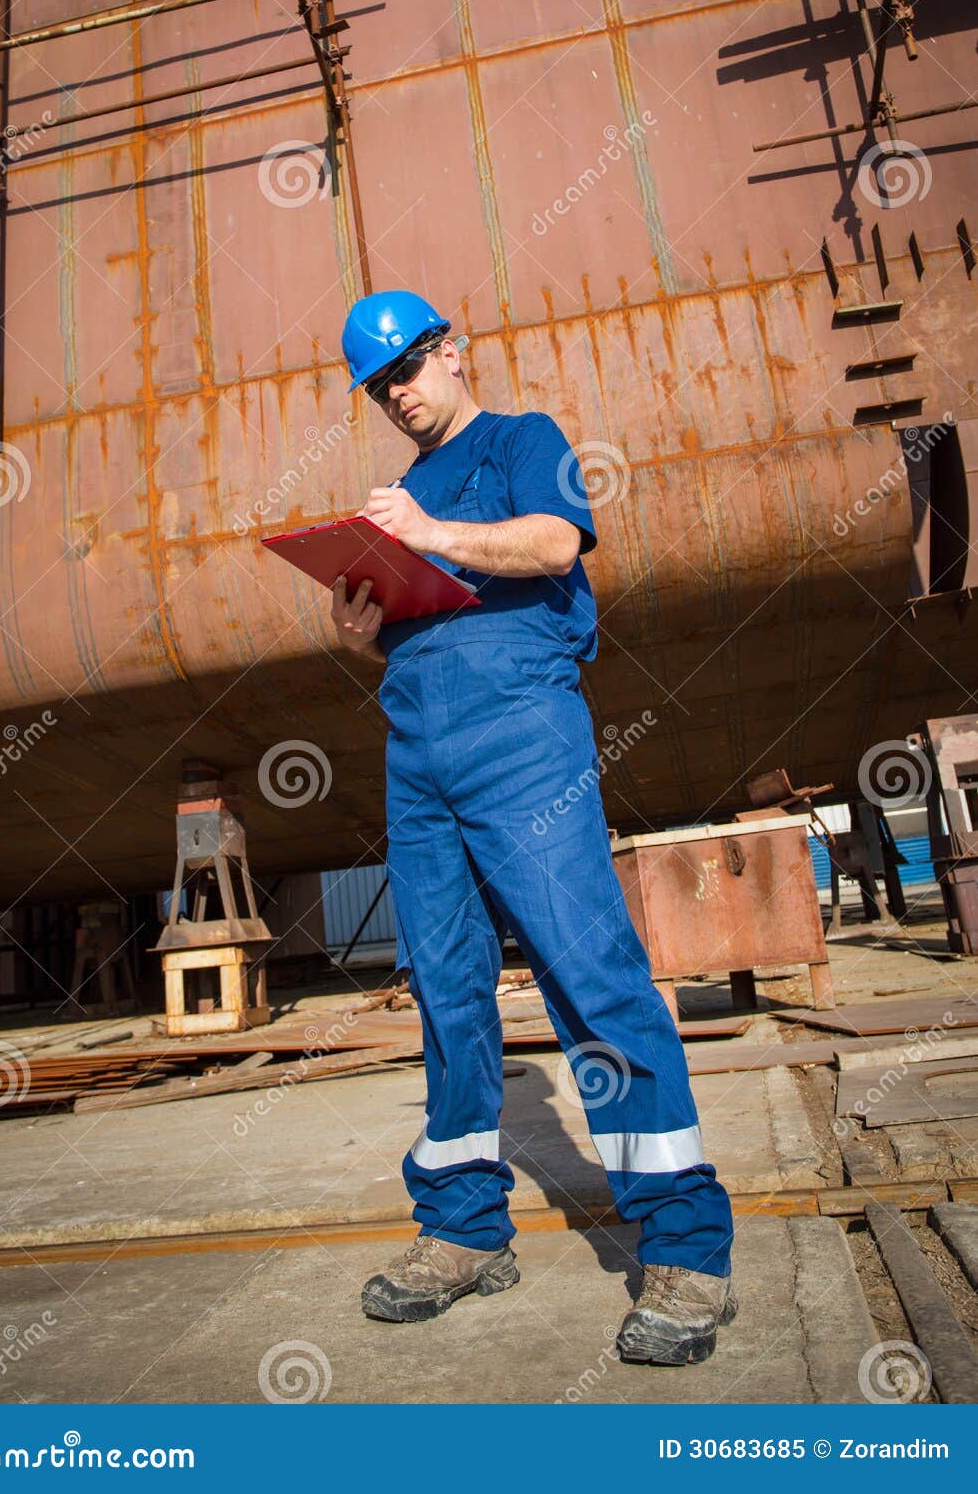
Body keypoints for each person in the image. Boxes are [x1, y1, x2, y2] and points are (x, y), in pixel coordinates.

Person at [331, 289, 736, 1365]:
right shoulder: (401, 494)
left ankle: (685, 1244)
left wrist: (427, 533)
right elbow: (411, 619)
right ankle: (463, 1227)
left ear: (452, 353)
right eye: (378, 387)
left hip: (519, 734)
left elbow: (556, 542)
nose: (397, 395)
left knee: (588, 968)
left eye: (406, 369)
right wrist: (359, 623)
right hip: (416, 748)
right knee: (445, 989)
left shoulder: (521, 440)